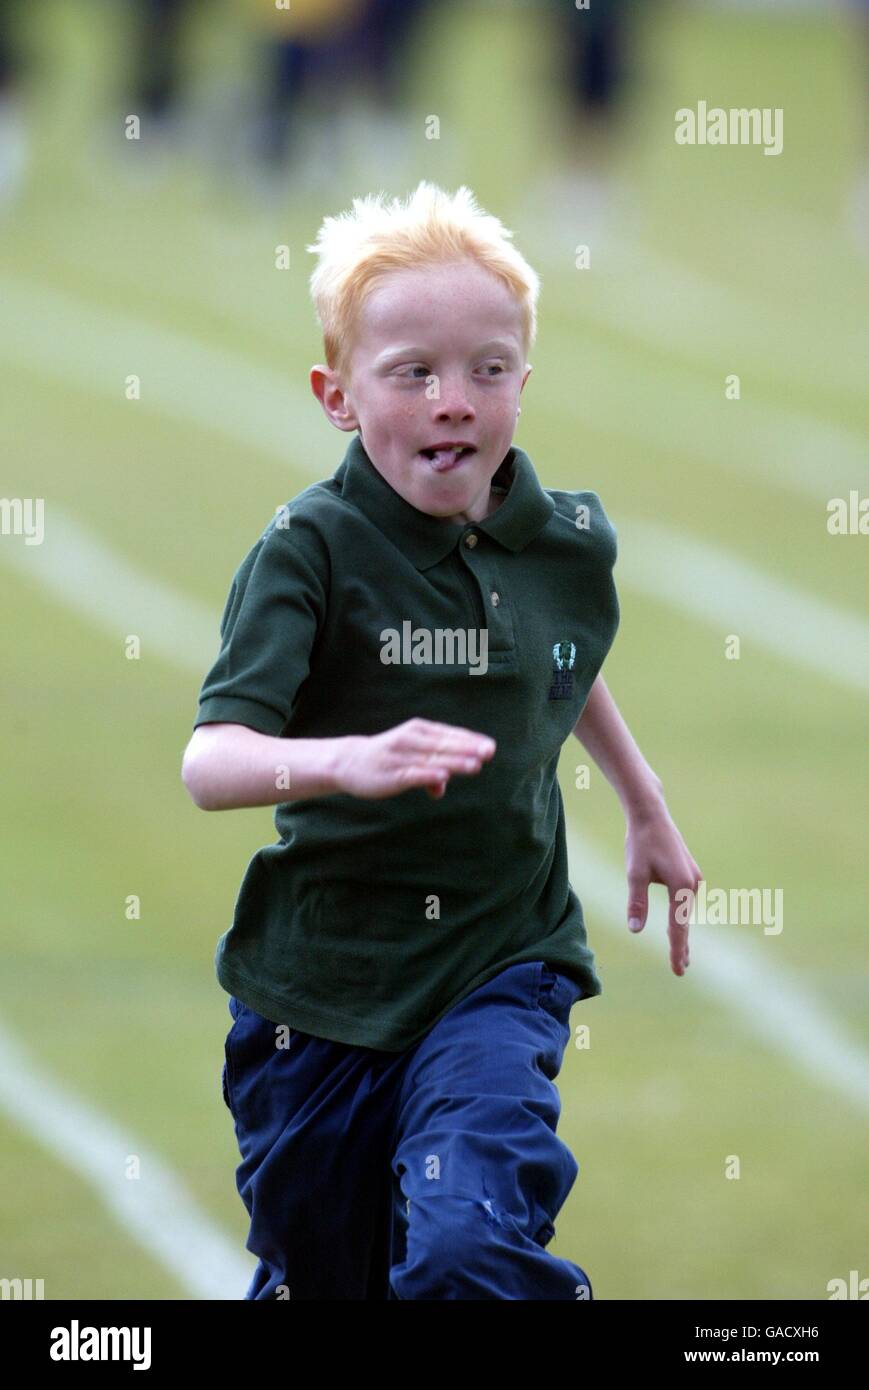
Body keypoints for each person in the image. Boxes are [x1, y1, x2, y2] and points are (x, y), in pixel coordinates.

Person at [181, 180, 702, 1300]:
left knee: (467, 1251)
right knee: (328, 1277)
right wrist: (342, 760)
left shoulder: (556, 535)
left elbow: (555, 653)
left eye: (487, 368)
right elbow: (209, 761)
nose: (453, 400)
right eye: (412, 371)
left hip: (497, 962)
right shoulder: (306, 549)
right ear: (336, 394)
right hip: (318, 991)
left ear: (523, 378)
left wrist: (643, 801)